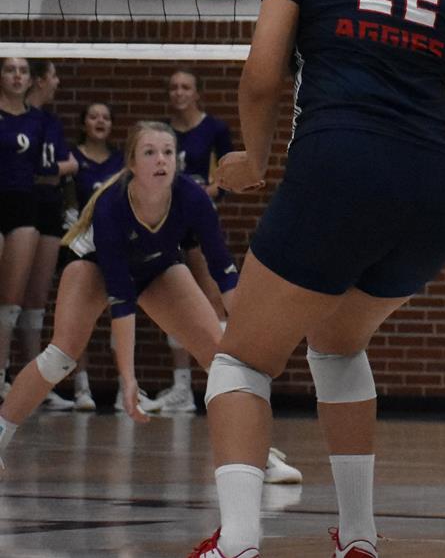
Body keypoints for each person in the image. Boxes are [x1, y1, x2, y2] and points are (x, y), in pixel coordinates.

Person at [188, 0, 445, 558]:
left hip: (341, 167)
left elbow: (264, 73)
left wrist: (253, 159)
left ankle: (236, 539)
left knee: (241, 358)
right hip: (436, 195)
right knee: (337, 339)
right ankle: (358, 536)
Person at [0, 120, 295, 483]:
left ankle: (257, 455)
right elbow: (122, 300)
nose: (161, 160)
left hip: (157, 268)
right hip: (92, 269)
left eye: (168, 152)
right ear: (132, 164)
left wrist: (246, 335)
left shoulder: (193, 198)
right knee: (61, 355)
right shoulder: (111, 206)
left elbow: (224, 272)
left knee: (222, 358)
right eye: (150, 153)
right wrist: (129, 380)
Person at [149, 67, 235, 415]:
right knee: (175, 304)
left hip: (198, 220)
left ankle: (226, 383)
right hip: (167, 223)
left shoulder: (215, 129)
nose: (179, 93)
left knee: (213, 300)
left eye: (185, 87)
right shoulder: (161, 133)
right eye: (173, 87)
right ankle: (182, 388)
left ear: (197, 93)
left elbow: (227, 182)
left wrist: (198, 194)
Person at [19, 61, 78, 408]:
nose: (57, 82)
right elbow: (39, 170)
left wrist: (56, 170)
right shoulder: (16, 119)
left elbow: (54, 169)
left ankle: (33, 384)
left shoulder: (51, 123)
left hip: (48, 211)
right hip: (19, 206)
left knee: (36, 300)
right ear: (40, 80)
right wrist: (60, 168)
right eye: (54, 75)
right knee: (11, 300)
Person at [61, 100, 126, 412]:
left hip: (114, 247)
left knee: (121, 315)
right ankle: (81, 387)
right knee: (78, 319)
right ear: (83, 122)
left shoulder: (122, 161)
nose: (100, 121)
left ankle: (125, 387)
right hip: (81, 247)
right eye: (93, 116)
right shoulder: (72, 160)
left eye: (105, 117)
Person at [0, 56, 51, 395]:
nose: (17, 76)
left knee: (11, 301)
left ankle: (2, 373)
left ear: (31, 79)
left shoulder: (40, 121)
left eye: (22, 71)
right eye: (9, 69)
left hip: (23, 206)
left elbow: (49, 166)